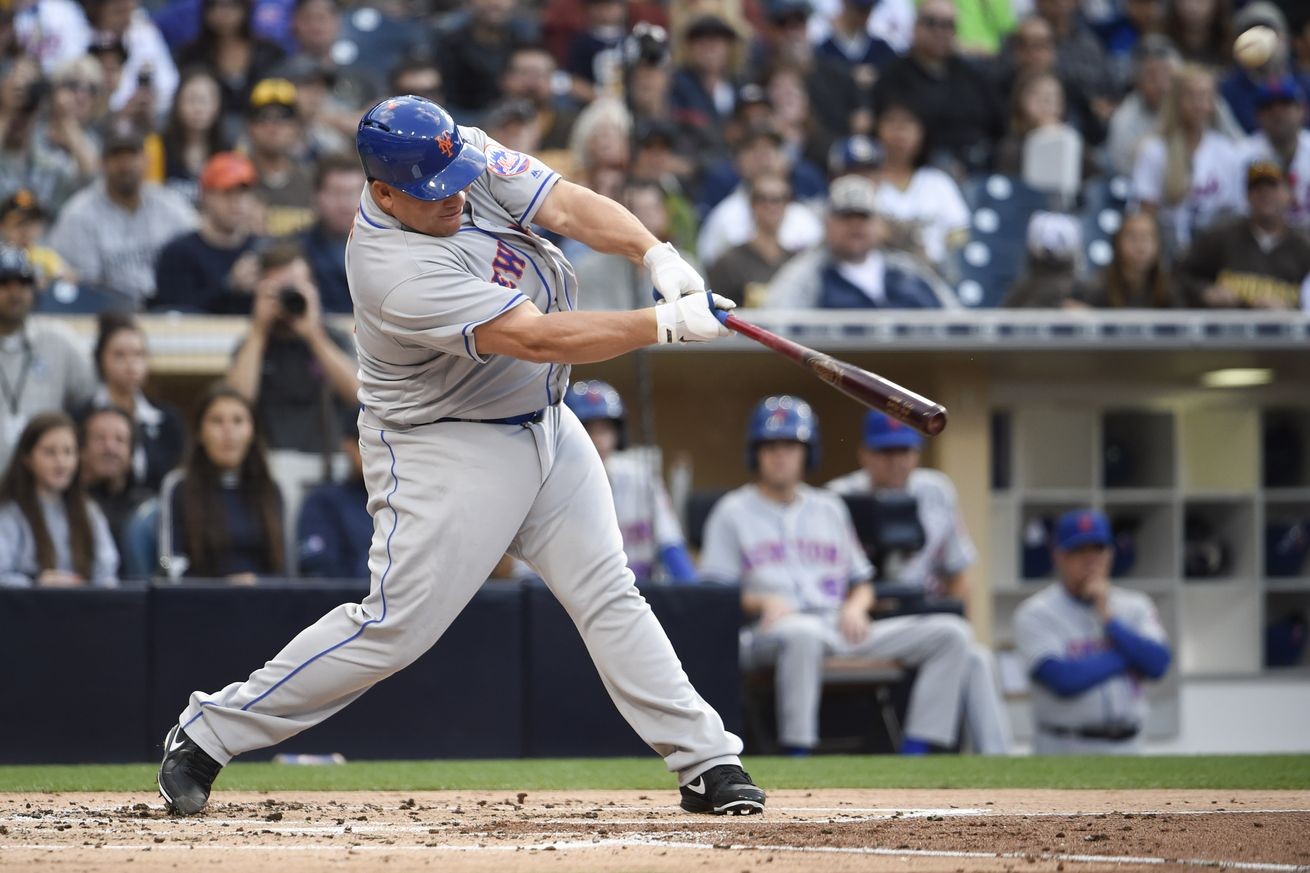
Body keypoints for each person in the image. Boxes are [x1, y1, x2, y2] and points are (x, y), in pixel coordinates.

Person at [157, 94, 760, 819]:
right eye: (429, 192)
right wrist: (660, 325)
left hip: (544, 419)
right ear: (382, 192)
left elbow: (565, 206)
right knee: (393, 628)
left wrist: (655, 253)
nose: (452, 196)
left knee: (608, 591)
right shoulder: (391, 270)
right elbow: (536, 335)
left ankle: (707, 761)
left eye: (453, 179)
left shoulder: (453, 150)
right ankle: (206, 733)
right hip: (446, 440)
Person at [700, 395, 1004, 756]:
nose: (781, 456)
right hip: (768, 633)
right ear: (756, 453)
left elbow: (861, 580)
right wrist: (761, 600)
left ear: (806, 453)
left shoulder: (828, 507)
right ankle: (799, 753)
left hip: (836, 624)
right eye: (771, 447)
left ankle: (917, 751)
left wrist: (856, 608)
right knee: (802, 633)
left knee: (952, 633)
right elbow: (714, 594)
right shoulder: (731, 511)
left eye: (791, 446)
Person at [826, 410, 1011, 754]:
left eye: (905, 451)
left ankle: (995, 763)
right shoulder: (835, 498)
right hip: (863, 625)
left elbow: (958, 576)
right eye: (886, 452)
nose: (897, 462)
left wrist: (960, 627)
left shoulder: (936, 491)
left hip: (922, 619)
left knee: (977, 658)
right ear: (864, 454)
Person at [1013, 509, 1172, 754]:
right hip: (1065, 747)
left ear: (1110, 553)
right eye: (1079, 551)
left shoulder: (1135, 605)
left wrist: (1110, 620)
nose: (1090, 559)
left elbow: (1158, 663)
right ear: (1058, 556)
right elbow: (1063, 679)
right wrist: (1130, 656)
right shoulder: (1035, 612)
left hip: (1130, 746)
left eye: (1098, 549)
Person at [47, 118, 198, 307]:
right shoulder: (78, 214)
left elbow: (198, 249)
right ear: (102, 162)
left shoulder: (171, 206)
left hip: (167, 313)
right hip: (105, 315)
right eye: (117, 155)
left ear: (146, 159)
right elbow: (79, 285)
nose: (125, 164)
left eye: (132, 154)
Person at [225, 241, 357, 455]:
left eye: (295, 287)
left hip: (329, 460)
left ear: (312, 288)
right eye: (279, 290)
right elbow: (236, 401)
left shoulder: (333, 337)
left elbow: (357, 396)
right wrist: (259, 330)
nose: (287, 297)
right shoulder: (251, 343)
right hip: (267, 462)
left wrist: (314, 335)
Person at [564, 380, 696, 584]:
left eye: (605, 429)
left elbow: (671, 546)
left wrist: (696, 596)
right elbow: (530, 577)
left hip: (642, 592)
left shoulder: (641, 478)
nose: (599, 439)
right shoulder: (552, 487)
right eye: (588, 430)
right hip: (580, 599)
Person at [156, 383, 285, 582]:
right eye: (217, 421)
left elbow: (284, 570)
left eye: (238, 421)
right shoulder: (178, 486)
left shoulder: (271, 488)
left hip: (262, 601)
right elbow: (170, 565)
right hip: (200, 604)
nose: (228, 431)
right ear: (199, 433)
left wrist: (258, 583)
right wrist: (222, 588)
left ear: (252, 432)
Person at [766, 175, 951, 309]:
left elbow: (960, 323)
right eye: (846, 216)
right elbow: (777, 332)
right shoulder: (806, 275)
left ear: (880, 224)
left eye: (864, 216)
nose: (856, 225)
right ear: (827, 224)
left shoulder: (908, 270)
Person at [872, 0, 1006, 174]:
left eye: (948, 25)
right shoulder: (893, 75)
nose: (940, 31)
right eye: (931, 23)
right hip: (921, 169)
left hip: (977, 165)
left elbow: (998, 124)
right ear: (915, 27)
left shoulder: (973, 75)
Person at [0, 247, 95, 472]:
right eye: (4, 284)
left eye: (23, 284)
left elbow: (91, 398)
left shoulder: (59, 340)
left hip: (43, 482)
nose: (15, 293)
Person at [1131, 65, 1242, 253]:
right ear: (1176, 101)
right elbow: (1146, 215)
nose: (1198, 104)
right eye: (1190, 96)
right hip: (1165, 249)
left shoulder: (1226, 152)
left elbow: (1231, 215)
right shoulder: (1154, 151)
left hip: (1212, 251)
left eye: (1204, 96)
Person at [0, 412, 118, 587]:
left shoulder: (88, 510)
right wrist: (37, 584)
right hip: (28, 609)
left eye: (68, 452)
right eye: (50, 452)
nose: (61, 462)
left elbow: (107, 574)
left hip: (84, 609)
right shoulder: (9, 511)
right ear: (27, 458)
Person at [1176, 160, 1310, 309]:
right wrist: (1205, 291)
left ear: (1289, 194)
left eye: (1272, 186)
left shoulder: (1303, 247)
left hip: (1286, 331)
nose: (1264, 193)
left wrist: (1291, 307)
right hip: (1227, 329)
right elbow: (1181, 274)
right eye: (1256, 187)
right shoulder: (1222, 236)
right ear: (1247, 196)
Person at [83, 313, 185, 489]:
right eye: (119, 355)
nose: (131, 364)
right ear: (100, 359)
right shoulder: (81, 416)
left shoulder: (167, 420)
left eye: (138, 355)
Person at [697, 130, 824, 270]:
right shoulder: (724, 217)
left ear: (785, 160)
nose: (764, 157)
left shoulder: (805, 219)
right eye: (753, 149)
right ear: (738, 162)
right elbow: (708, 272)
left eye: (772, 148)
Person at [152, 151, 261, 314]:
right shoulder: (178, 254)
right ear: (205, 196)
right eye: (227, 193)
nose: (237, 203)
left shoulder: (261, 248)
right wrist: (228, 287)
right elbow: (176, 316)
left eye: (243, 193)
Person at [870, 102, 970, 273]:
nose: (899, 130)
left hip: (936, 273)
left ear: (922, 133)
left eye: (908, 123)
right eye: (891, 122)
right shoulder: (866, 184)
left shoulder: (938, 182)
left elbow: (960, 232)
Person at [176, 0, 286, 124]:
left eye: (230, 5)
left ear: (245, 8)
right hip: (209, 128)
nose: (223, 13)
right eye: (215, 6)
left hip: (263, 124)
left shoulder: (269, 52)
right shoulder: (192, 54)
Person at [79, 405, 153, 572]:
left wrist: (166, 570)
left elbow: (165, 557)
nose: (110, 448)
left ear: (131, 453)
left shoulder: (149, 508)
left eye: (120, 440)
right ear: (81, 450)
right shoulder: (67, 505)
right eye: (99, 439)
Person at [707, 173, 796, 307]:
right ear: (752, 205)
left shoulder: (796, 262)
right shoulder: (729, 262)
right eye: (763, 199)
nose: (771, 206)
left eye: (779, 199)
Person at [297, 417, 369, 579]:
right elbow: (318, 574)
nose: (379, 453)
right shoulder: (323, 502)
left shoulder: (405, 503)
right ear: (348, 445)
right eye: (369, 443)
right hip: (348, 601)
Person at [244, 78, 314, 238]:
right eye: (263, 116)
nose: (273, 126)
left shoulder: (312, 180)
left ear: (297, 127)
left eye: (284, 117)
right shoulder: (235, 181)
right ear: (250, 127)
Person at [1239, 76, 1310, 230]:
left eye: (1286, 104)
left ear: (1302, 110)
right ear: (1258, 116)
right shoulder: (1241, 155)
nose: (1278, 113)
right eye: (1268, 107)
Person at [1107, 36, 1183, 176]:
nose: (1163, 86)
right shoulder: (1124, 119)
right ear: (1137, 82)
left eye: (1168, 75)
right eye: (1153, 77)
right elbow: (1122, 169)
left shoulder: (1200, 101)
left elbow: (1235, 143)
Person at [299, 155, 365, 313]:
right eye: (336, 192)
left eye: (353, 193)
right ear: (315, 196)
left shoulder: (389, 249)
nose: (345, 203)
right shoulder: (296, 250)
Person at [159, 69, 233, 204]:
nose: (198, 108)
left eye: (205, 100)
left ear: (218, 105)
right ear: (177, 103)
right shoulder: (158, 147)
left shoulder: (228, 152)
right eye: (191, 100)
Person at [1079, 211, 1179, 308]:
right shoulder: (1096, 287)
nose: (1141, 247)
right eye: (1132, 238)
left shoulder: (1170, 288)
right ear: (1117, 242)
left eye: (1147, 238)